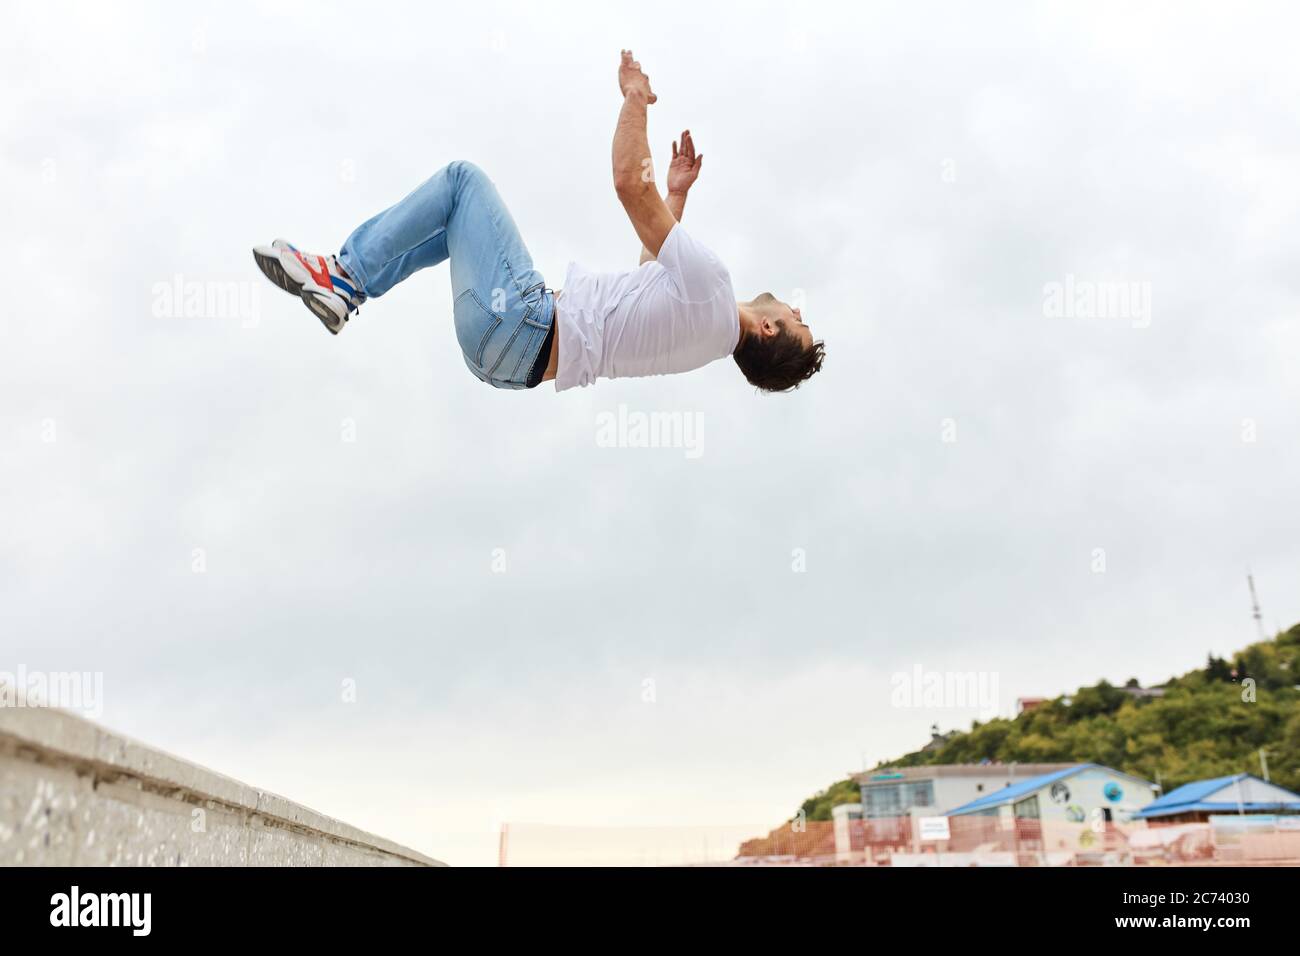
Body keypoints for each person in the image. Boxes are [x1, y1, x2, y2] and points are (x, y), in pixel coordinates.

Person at [253, 50, 824, 393]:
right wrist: (676, 195)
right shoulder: (705, 339)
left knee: (461, 181)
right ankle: (347, 286)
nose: (797, 309)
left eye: (797, 322)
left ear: (770, 330)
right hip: (504, 365)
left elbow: (629, 184)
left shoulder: (717, 293)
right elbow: (653, 269)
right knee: (452, 222)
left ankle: (345, 277)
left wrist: (634, 101)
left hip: (524, 320)